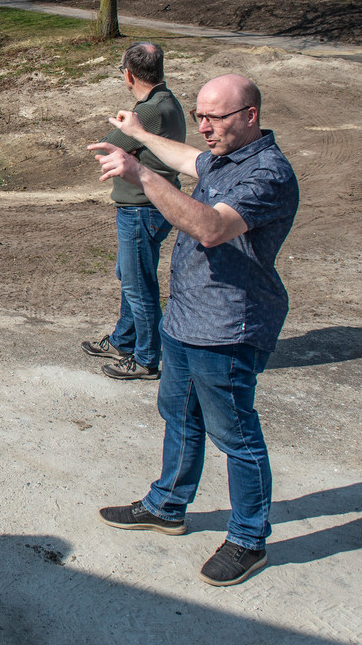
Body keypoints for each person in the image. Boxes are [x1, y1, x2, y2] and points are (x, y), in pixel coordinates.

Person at [89, 73, 298, 587]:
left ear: (250, 116)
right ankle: (167, 506)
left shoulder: (267, 174)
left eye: (214, 118)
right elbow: (187, 160)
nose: (203, 127)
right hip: (185, 318)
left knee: (236, 434)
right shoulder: (224, 157)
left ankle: (249, 539)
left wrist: (140, 174)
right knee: (178, 415)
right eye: (200, 116)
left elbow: (209, 227)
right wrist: (139, 132)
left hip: (227, 326)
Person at [80, 42, 186, 381]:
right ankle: (124, 339)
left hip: (142, 210)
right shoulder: (164, 103)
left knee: (138, 285)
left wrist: (128, 134)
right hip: (145, 207)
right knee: (130, 277)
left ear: (128, 74)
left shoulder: (151, 110)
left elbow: (107, 142)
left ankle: (145, 359)